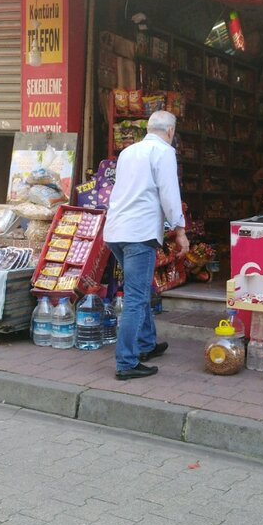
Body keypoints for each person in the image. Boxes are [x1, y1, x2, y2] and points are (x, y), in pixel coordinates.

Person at [104, 110, 189, 378]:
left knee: (138, 290)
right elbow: (169, 194)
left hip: (116, 231)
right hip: (139, 233)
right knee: (136, 297)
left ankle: (146, 343)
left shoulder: (128, 152)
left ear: (148, 128)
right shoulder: (164, 152)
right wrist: (180, 230)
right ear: (171, 131)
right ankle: (126, 362)